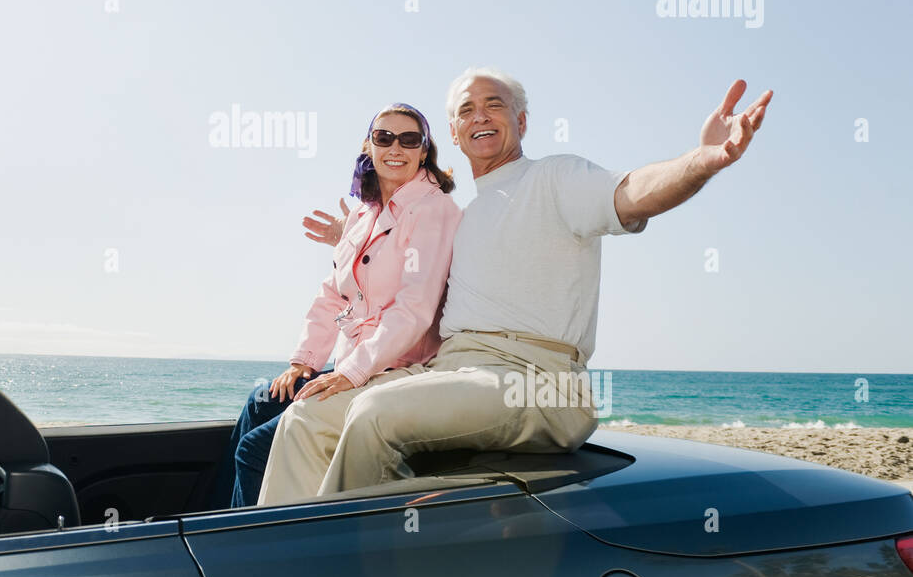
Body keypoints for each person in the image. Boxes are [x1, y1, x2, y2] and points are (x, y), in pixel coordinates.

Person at [257, 68, 773, 504]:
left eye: (494, 105)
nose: (480, 115)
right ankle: (267, 560)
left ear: (521, 121)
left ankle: (332, 568)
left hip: (537, 378)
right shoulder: (464, 215)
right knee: (306, 418)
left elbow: (631, 194)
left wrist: (700, 160)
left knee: (372, 411)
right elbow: (399, 283)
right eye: (465, 110)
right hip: (453, 371)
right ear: (454, 137)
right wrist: (348, 244)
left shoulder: (554, 178)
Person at [209, 103, 462, 509]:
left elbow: (414, 309)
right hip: (354, 363)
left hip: (398, 367)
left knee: (256, 449)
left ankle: (244, 542)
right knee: (258, 402)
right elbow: (332, 294)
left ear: (424, 151)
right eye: (384, 137)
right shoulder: (365, 211)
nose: (395, 147)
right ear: (369, 144)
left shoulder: (433, 210)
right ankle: (212, 523)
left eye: (409, 139)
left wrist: (351, 370)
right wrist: (304, 362)